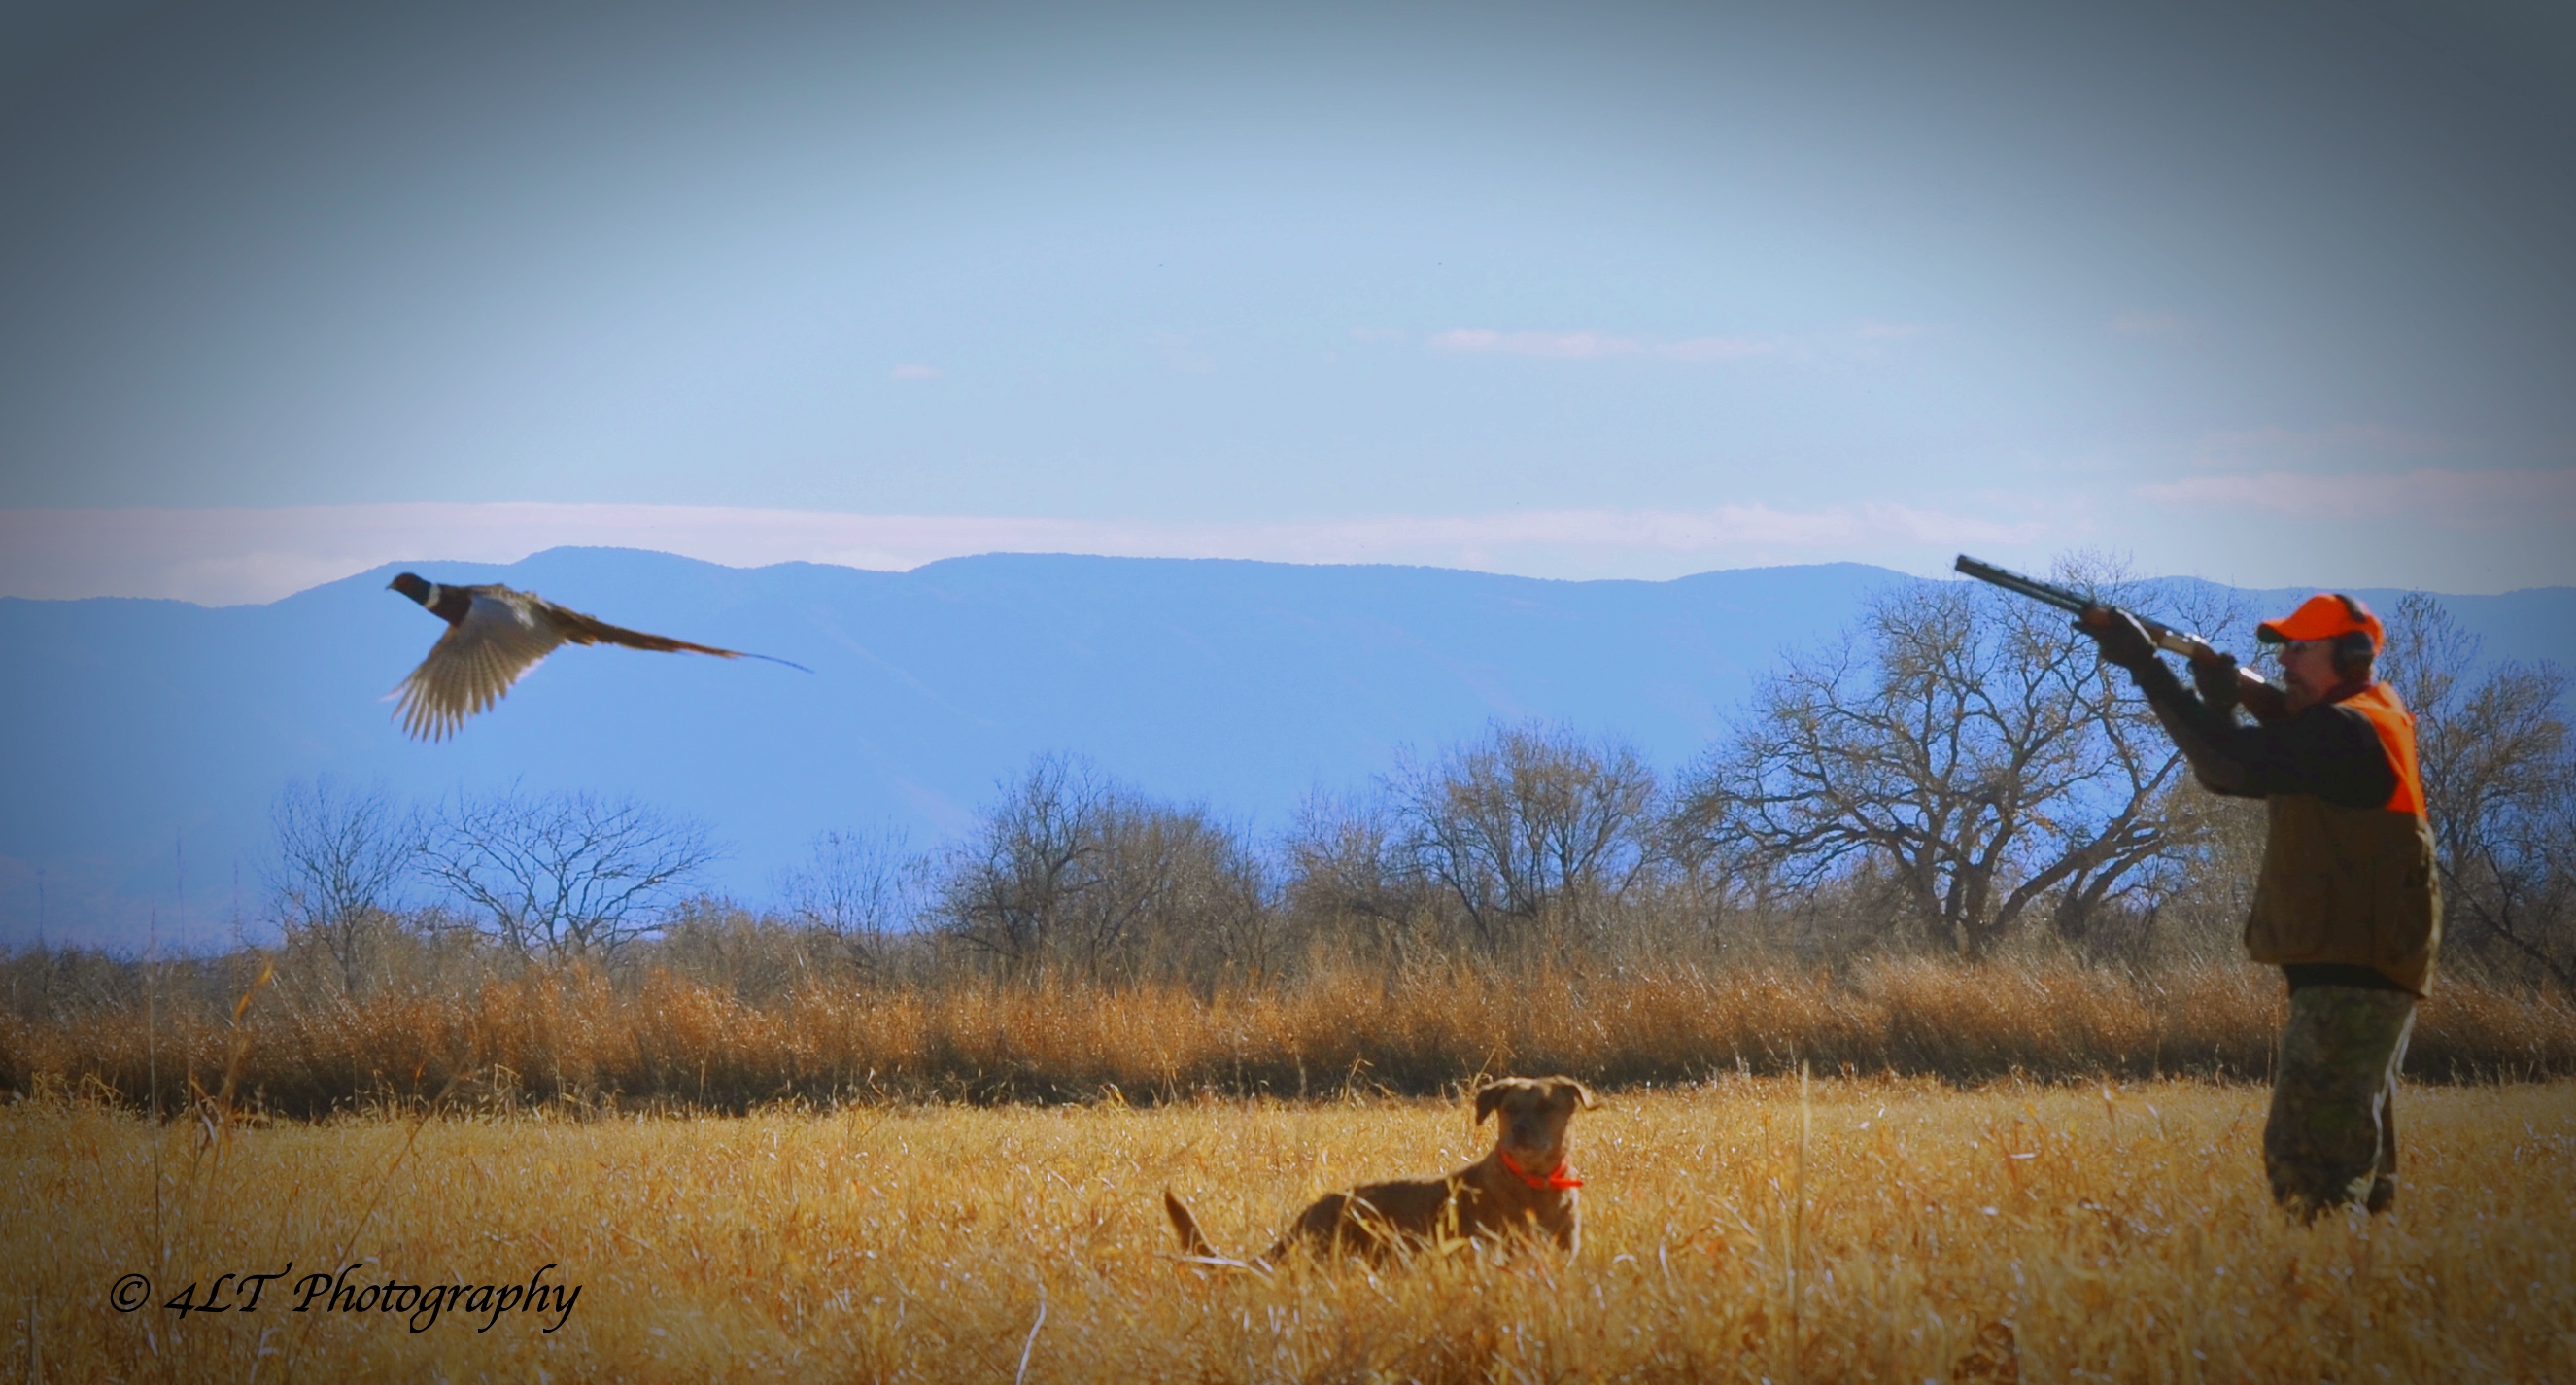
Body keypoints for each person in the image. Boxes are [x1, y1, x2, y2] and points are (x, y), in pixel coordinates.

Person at [2081, 592, 2439, 1219]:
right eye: (2284, 649)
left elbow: (2229, 762)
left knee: (2310, 1158)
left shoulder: (2347, 729)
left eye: (2303, 649)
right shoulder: (2362, 719)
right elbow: (2240, 764)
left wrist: (2147, 664)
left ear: (2351, 656)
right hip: (2358, 961)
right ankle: (2362, 1291)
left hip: (2353, 968)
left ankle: (2321, 1289)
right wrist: (2223, 697)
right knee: (2351, 1158)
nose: (2286, 661)